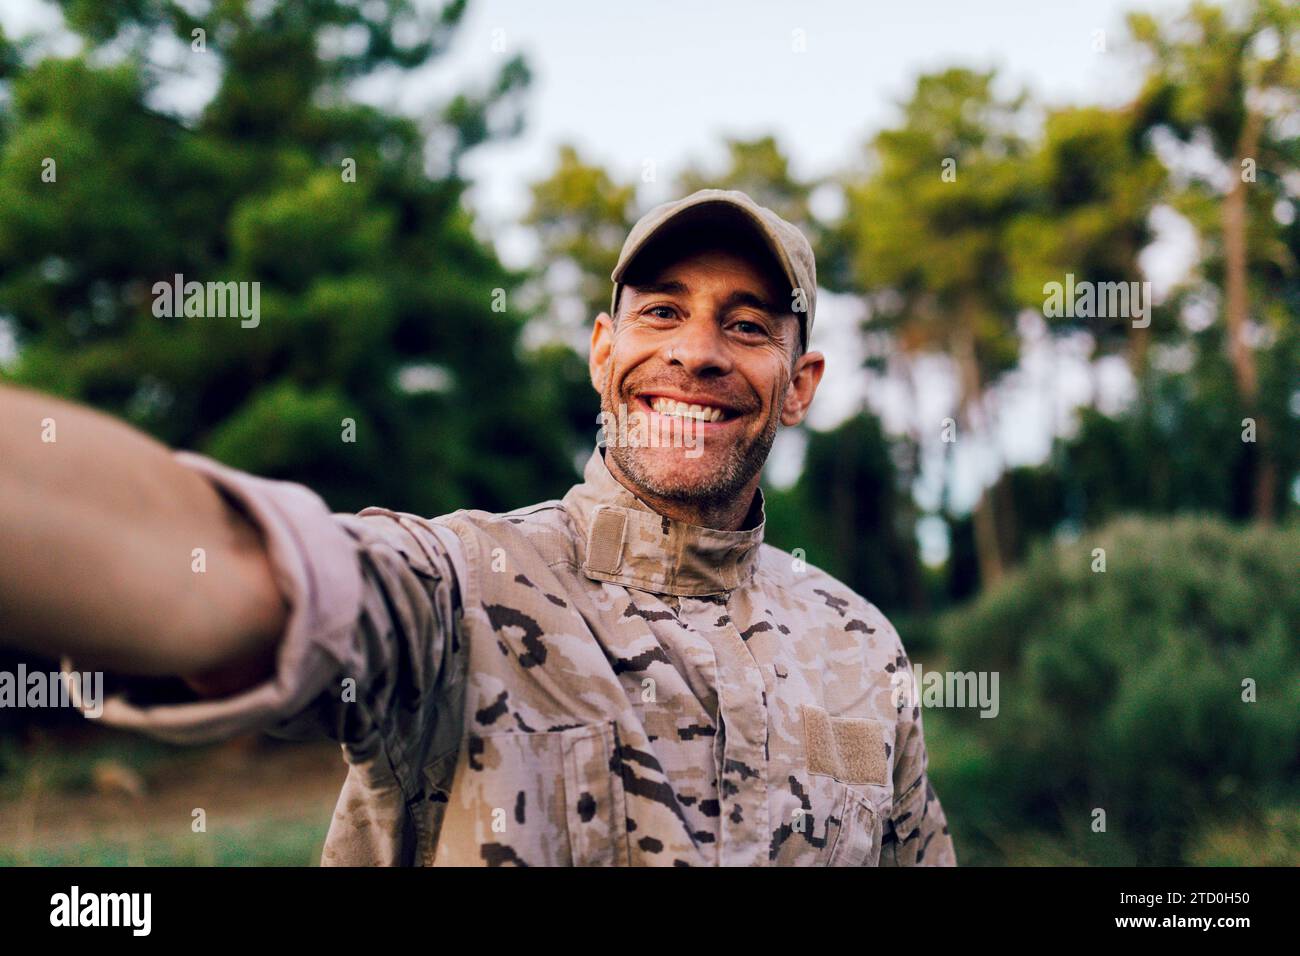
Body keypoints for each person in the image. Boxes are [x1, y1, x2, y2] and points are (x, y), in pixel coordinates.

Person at [0, 188, 956, 866]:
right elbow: (255, 579)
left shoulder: (862, 647)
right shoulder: (460, 582)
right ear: (602, 351)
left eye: (748, 326)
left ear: (800, 384)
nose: (696, 353)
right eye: (661, 311)